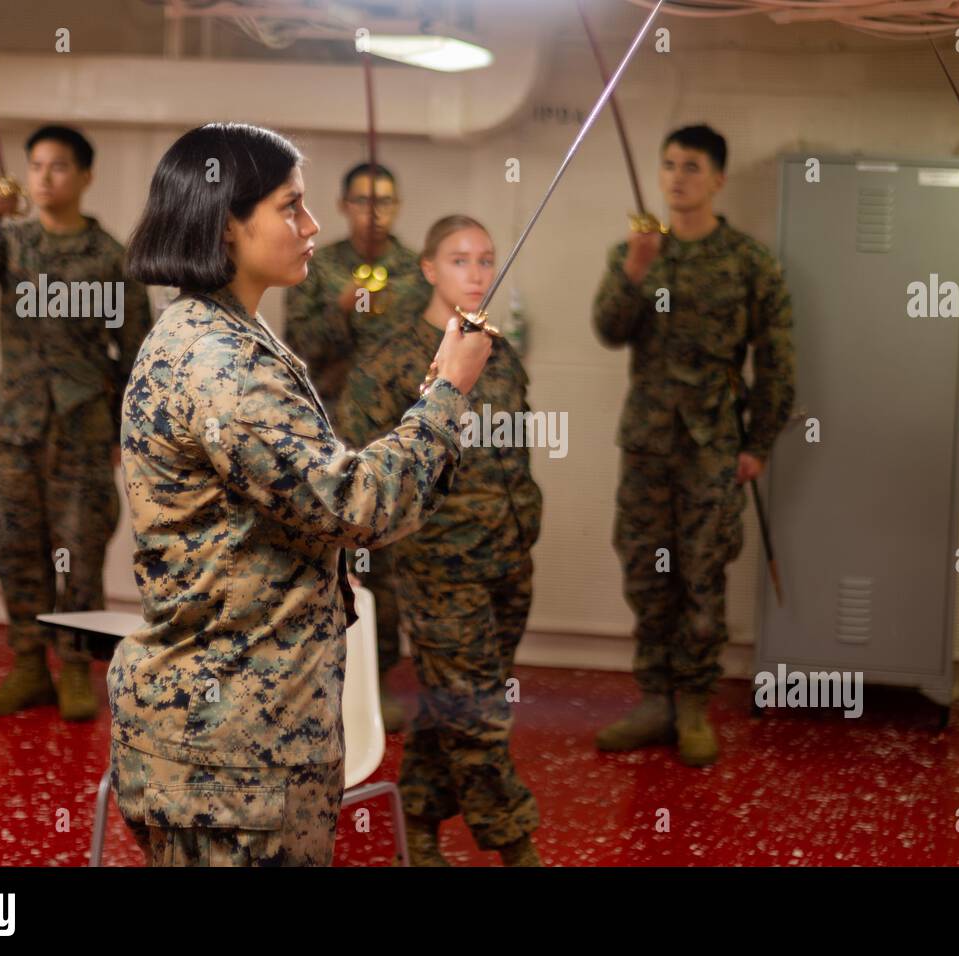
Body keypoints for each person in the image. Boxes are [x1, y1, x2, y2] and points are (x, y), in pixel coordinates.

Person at [108, 123, 491, 867]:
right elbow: (357, 506)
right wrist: (448, 392)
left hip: (238, 736)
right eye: (291, 207)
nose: (312, 226)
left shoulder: (220, 332)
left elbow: (314, 485)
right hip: (232, 752)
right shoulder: (222, 364)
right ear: (227, 224)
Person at [590, 124, 796, 766]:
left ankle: (692, 706)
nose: (677, 176)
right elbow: (608, 329)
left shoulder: (749, 260)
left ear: (718, 179)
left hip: (713, 444)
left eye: (692, 166)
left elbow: (779, 359)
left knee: (701, 579)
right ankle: (654, 698)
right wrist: (635, 269)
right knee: (646, 575)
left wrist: (759, 441)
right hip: (649, 443)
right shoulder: (639, 250)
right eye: (669, 164)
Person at [341, 215, 543, 866]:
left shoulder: (497, 351)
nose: (477, 273)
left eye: (486, 260)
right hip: (437, 561)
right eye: (460, 260)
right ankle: (517, 845)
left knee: (452, 701)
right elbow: (363, 462)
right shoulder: (393, 355)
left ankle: (420, 824)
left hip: (507, 554)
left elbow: (516, 454)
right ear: (428, 269)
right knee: (477, 710)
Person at [0, 124, 152, 721]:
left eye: (58, 166)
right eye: (35, 165)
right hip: (15, 424)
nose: (43, 177)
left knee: (79, 554)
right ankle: (29, 665)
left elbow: (137, 352)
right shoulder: (9, 243)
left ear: (85, 176)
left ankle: (75, 670)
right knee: (15, 546)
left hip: (82, 429)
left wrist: (123, 433)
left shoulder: (114, 257)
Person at [284, 162, 429, 732]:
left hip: (394, 436)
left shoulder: (416, 274)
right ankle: (326, 677)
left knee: (388, 566)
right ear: (344, 204)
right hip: (329, 436)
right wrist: (343, 307)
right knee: (332, 559)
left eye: (386, 201)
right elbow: (298, 346)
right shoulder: (317, 266)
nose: (376, 211)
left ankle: (382, 675)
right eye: (364, 200)